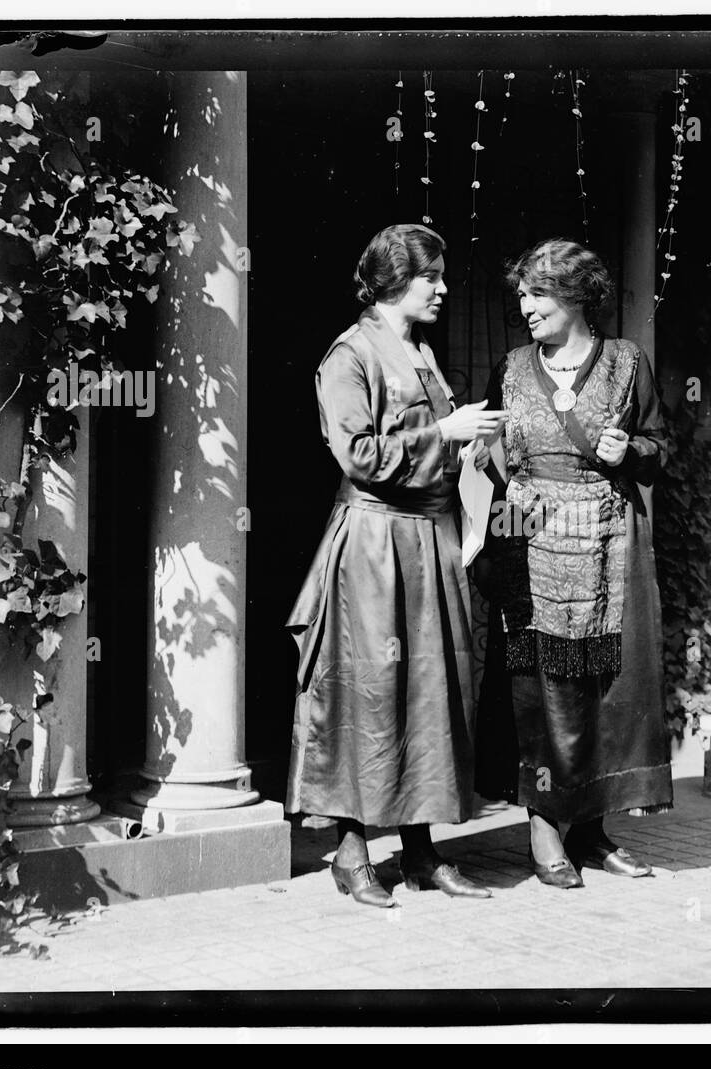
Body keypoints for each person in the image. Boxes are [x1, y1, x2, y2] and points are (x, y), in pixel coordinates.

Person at [286, 223, 507, 907]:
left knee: (430, 691)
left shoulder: (421, 353)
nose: (442, 288)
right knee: (367, 692)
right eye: (430, 278)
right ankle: (351, 853)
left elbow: (428, 448)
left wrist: (467, 445)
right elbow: (357, 455)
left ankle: (418, 852)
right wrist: (443, 432)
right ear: (392, 283)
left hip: (427, 541)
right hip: (375, 545)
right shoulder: (348, 356)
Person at [473, 237, 672, 889]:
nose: (526, 306)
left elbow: (659, 446)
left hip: (609, 545)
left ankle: (591, 829)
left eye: (539, 293)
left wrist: (629, 449)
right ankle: (542, 824)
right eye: (523, 294)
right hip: (530, 548)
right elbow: (486, 450)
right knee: (539, 688)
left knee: (601, 689)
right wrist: (493, 468)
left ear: (577, 296)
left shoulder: (626, 362)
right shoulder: (509, 368)